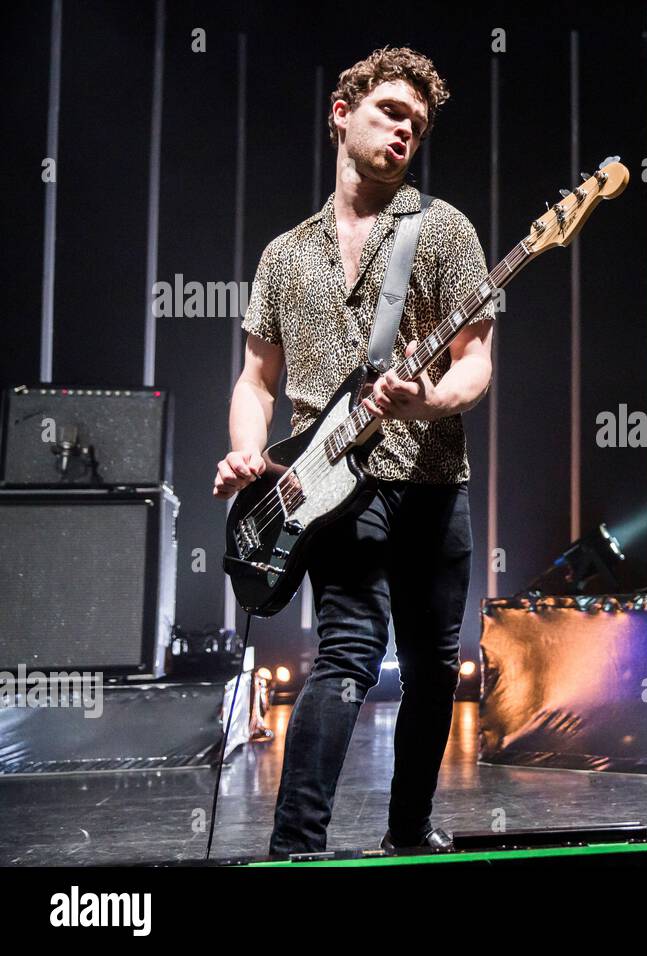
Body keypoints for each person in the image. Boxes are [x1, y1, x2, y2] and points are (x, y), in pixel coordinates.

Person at [212, 47, 494, 856]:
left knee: (435, 668)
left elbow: (475, 361)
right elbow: (254, 383)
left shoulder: (442, 231)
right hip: (331, 485)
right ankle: (297, 845)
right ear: (343, 113)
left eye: (418, 124)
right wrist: (246, 454)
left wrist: (430, 397)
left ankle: (408, 836)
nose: (405, 131)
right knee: (345, 652)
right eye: (390, 112)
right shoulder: (284, 255)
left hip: (435, 479)